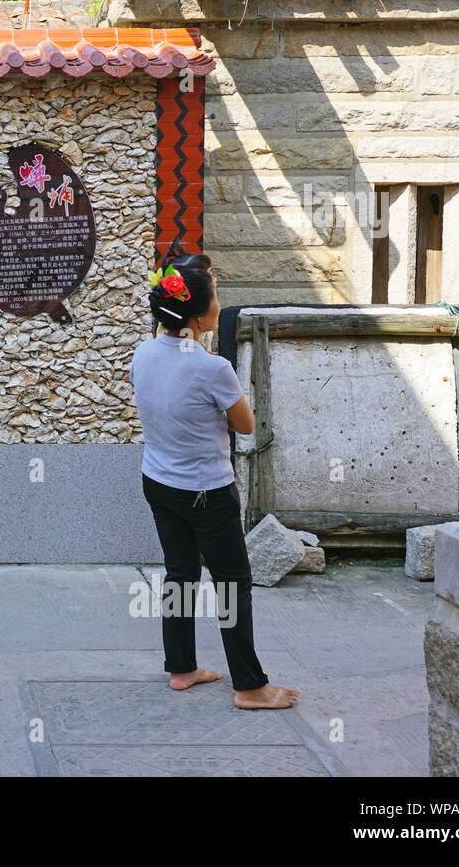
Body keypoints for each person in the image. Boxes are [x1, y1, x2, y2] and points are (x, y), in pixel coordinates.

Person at [128, 253, 300, 710]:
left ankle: (181, 669)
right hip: (207, 492)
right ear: (200, 314)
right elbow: (245, 425)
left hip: (158, 483)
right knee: (231, 584)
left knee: (180, 575)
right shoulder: (213, 368)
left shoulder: (142, 353)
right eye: (216, 298)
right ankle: (249, 686)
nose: (220, 305)